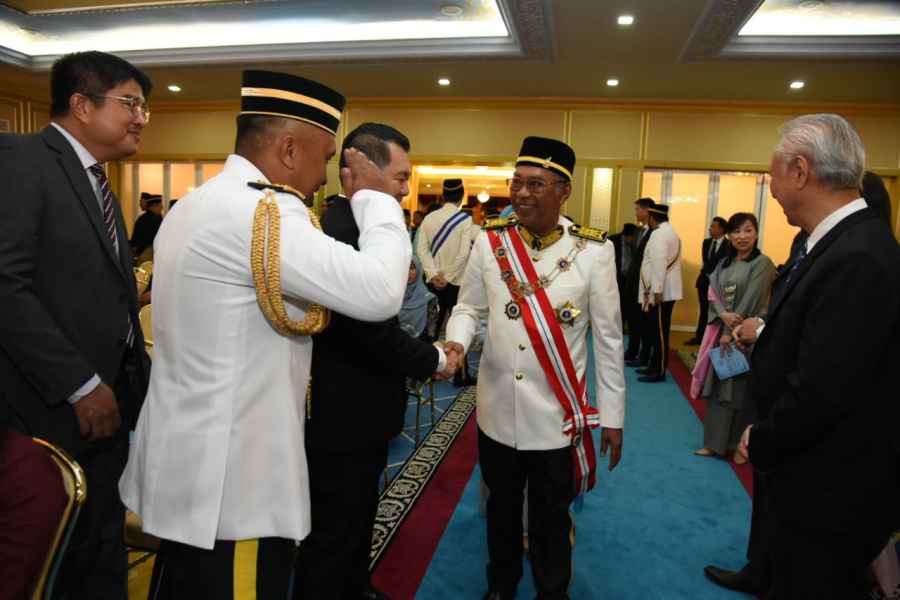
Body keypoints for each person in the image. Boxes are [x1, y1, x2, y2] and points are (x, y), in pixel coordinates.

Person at [119, 70, 411, 599]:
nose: (326, 177)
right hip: (238, 484)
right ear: (290, 148)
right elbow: (380, 291)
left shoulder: (198, 203)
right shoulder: (263, 212)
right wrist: (376, 200)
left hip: (192, 467)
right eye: (325, 158)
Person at [0, 50, 153, 599]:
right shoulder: (21, 159)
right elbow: (5, 285)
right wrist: (80, 384)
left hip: (106, 407)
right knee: (48, 557)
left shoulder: (96, 180)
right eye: (130, 103)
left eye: (144, 107)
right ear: (81, 105)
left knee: (97, 547)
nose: (140, 117)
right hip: (47, 408)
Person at [445, 136, 626, 600]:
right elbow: (468, 308)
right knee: (500, 512)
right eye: (517, 183)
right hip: (497, 411)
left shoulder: (593, 252)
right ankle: (500, 587)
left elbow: (607, 340)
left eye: (536, 184)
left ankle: (552, 591)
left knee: (550, 515)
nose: (522, 194)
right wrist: (456, 343)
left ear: (564, 191)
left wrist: (613, 416)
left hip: (555, 417)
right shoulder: (491, 244)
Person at [734, 114, 899, 599]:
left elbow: (823, 388)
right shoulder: (841, 244)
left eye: (773, 176)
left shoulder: (858, 256)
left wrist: (762, 438)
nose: (773, 189)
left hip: (829, 491)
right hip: (818, 478)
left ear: (801, 171)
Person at [296, 123, 456, 600]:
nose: (406, 190)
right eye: (400, 176)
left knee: (359, 511)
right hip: (341, 410)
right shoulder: (341, 228)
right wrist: (431, 359)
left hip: (363, 408)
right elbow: (367, 330)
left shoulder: (367, 225)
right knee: (332, 529)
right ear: (360, 170)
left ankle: (354, 585)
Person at [692, 213, 774, 463]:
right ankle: (714, 444)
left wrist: (731, 331)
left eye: (748, 231)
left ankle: (739, 445)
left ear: (757, 233)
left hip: (745, 338)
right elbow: (711, 293)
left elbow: (751, 299)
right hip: (723, 334)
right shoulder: (724, 263)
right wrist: (722, 315)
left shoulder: (762, 264)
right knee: (718, 391)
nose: (742, 237)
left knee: (740, 392)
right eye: (736, 231)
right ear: (729, 235)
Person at [416, 178, 473, 334]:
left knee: (430, 327)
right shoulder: (465, 220)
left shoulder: (428, 218)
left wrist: (434, 275)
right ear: (462, 196)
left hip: (432, 283)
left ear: (443, 195)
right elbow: (464, 253)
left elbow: (421, 250)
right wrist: (447, 277)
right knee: (455, 329)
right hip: (455, 284)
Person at [636, 203, 683, 383]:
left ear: (652, 218)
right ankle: (654, 366)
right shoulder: (670, 232)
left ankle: (659, 370)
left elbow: (658, 263)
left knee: (659, 333)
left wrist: (656, 290)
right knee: (657, 331)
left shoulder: (658, 234)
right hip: (664, 291)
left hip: (660, 293)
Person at [686, 216, 729, 345]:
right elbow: (707, 262)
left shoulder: (729, 245)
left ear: (721, 229)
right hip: (704, 282)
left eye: (713, 226)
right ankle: (700, 338)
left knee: (717, 312)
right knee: (704, 310)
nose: (710, 228)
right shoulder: (706, 242)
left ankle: (714, 339)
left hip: (719, 285)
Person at [623, 198, 655, 366]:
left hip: (644, 285)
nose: (636, 213)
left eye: (638, 209)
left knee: (645, 323)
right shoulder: (638, 231)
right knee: (633, 319)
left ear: (647, 210)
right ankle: (632, 351)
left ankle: (644, 355)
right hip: (633, 283)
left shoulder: (654, 233)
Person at [608, 223, 637, 331]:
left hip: (630, 279)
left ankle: (627, 326)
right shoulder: (612, 241)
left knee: (628, 304)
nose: (631, 240)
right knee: (615, 304)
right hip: (616, 277)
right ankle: (616, 326)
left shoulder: (636, 243)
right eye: (630, 238)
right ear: (625, 235)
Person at [130, 193, 163, 262]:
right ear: (154, 205)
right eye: (160, 205)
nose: (162, 207)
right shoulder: (156, 219)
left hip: (141, 254)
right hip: (148, 255)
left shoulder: (141, 219)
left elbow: (134, 240)